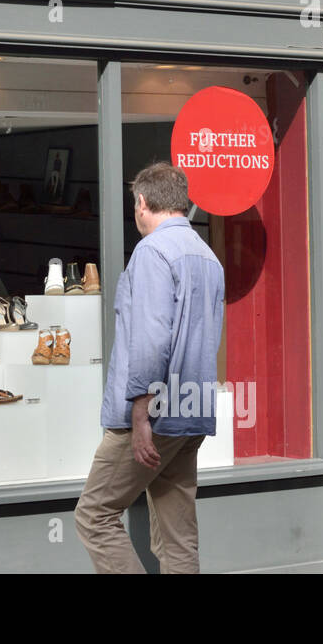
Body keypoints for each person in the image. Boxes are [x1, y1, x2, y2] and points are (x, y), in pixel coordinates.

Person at [74, 162, 224, 574]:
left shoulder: (152, 251)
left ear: (142, 202)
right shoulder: (208, 256)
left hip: (151, 415)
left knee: (94, 515)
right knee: (177, 538)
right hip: (190, 409)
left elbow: (151, 338)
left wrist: (140, 415)